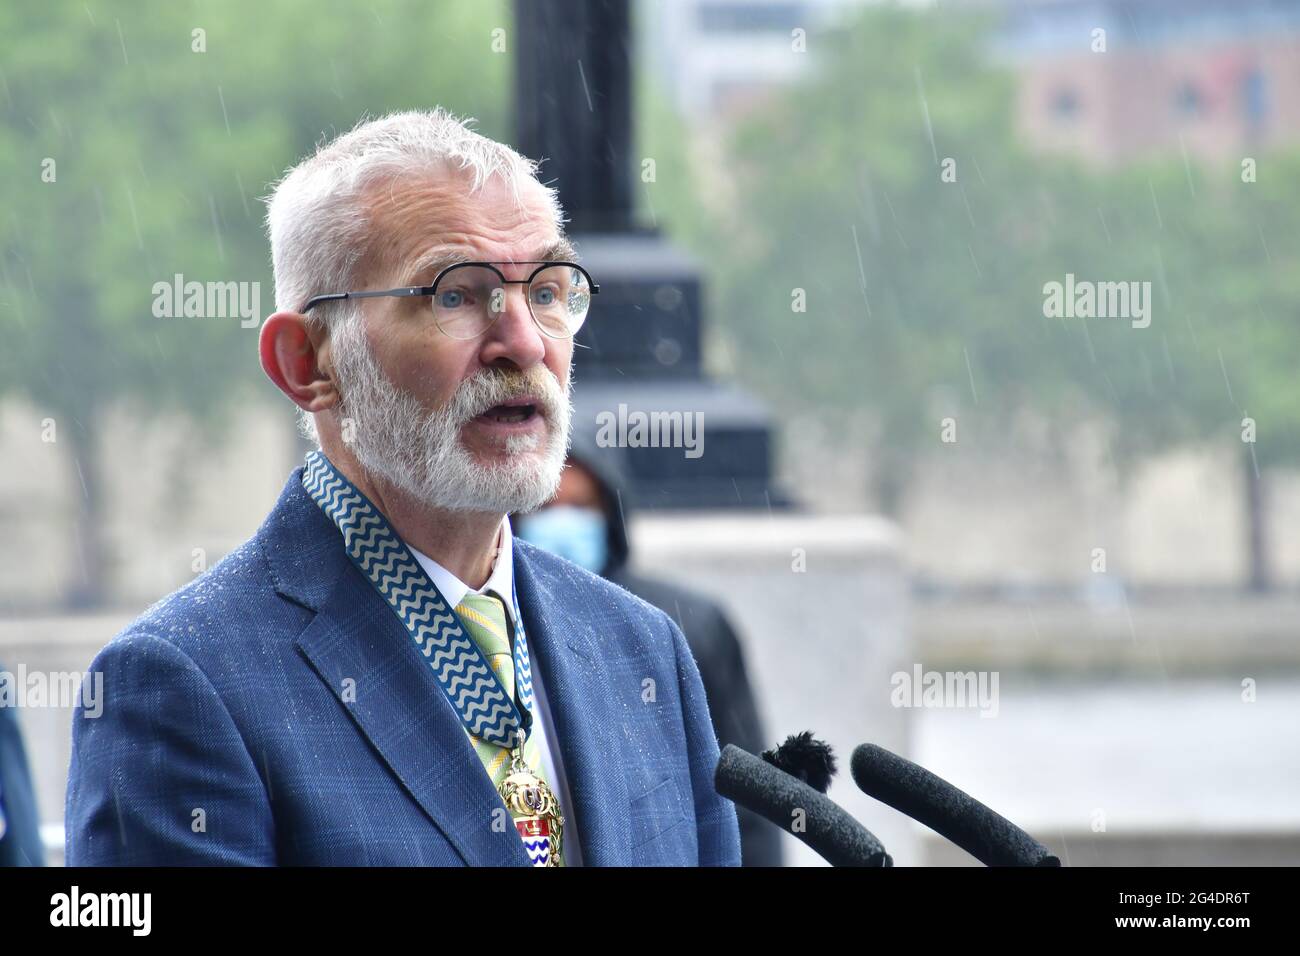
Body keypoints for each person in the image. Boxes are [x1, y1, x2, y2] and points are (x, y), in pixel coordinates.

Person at [64, 109, 740, 867]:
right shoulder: (181, 687)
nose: (523, 341)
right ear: (307, 364)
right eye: (454, 295)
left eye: (546, 290)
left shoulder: (642, 651)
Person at [516, 437, 782, 866]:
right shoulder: (498, 626)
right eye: (546, 508)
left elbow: (748, 791)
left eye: (582, 507)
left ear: (611, 516)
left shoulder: (681, 626)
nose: (563, 522)